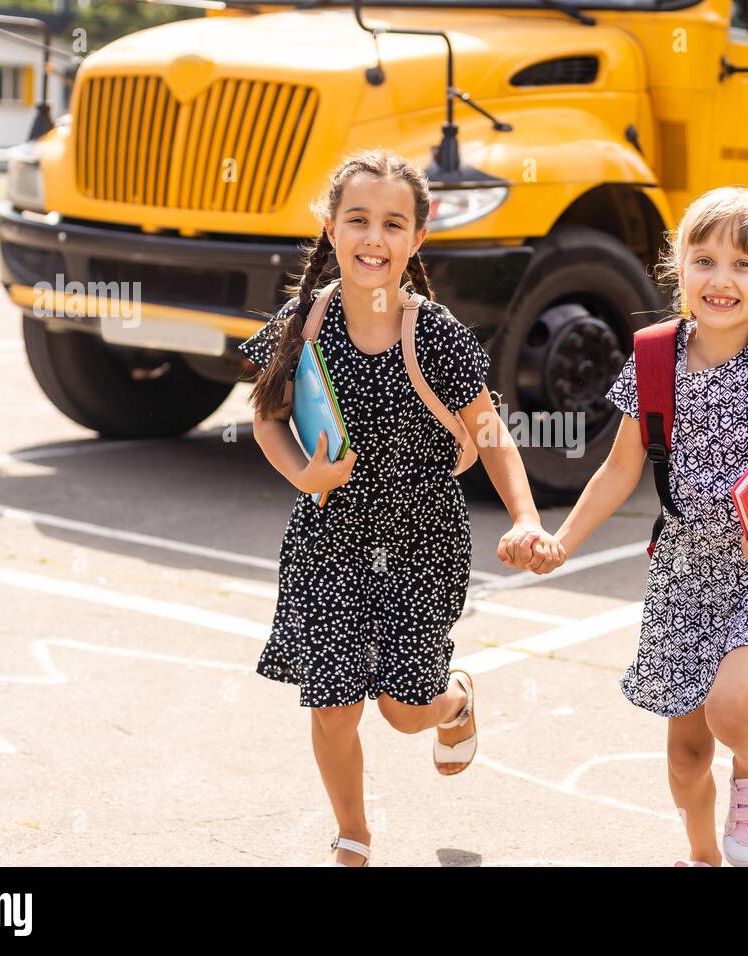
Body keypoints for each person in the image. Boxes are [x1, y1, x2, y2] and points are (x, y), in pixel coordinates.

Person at [518, 186, 748, 866]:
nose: (721, 279)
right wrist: (562, 542)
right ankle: (704, 856)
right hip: (685, 575)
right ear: (678, 268)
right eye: (703, 260)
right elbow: (620, 470)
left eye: (742, 265)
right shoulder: (653, 358)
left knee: (731, 712)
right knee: (684, 757)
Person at [240, 148, 559, 867]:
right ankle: (353, 835)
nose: (372, 238)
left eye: (392, 223)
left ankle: (452, 703)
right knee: (331, 703)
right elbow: (266, 420)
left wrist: (527, 518)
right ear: (329, 227)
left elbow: (489, 432)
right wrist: (303, 473)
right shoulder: (303, 322)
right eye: (356, 220)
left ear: (418, 236)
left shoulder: (436, 334)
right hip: (329, 539)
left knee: (402, 711)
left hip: (422, 541)